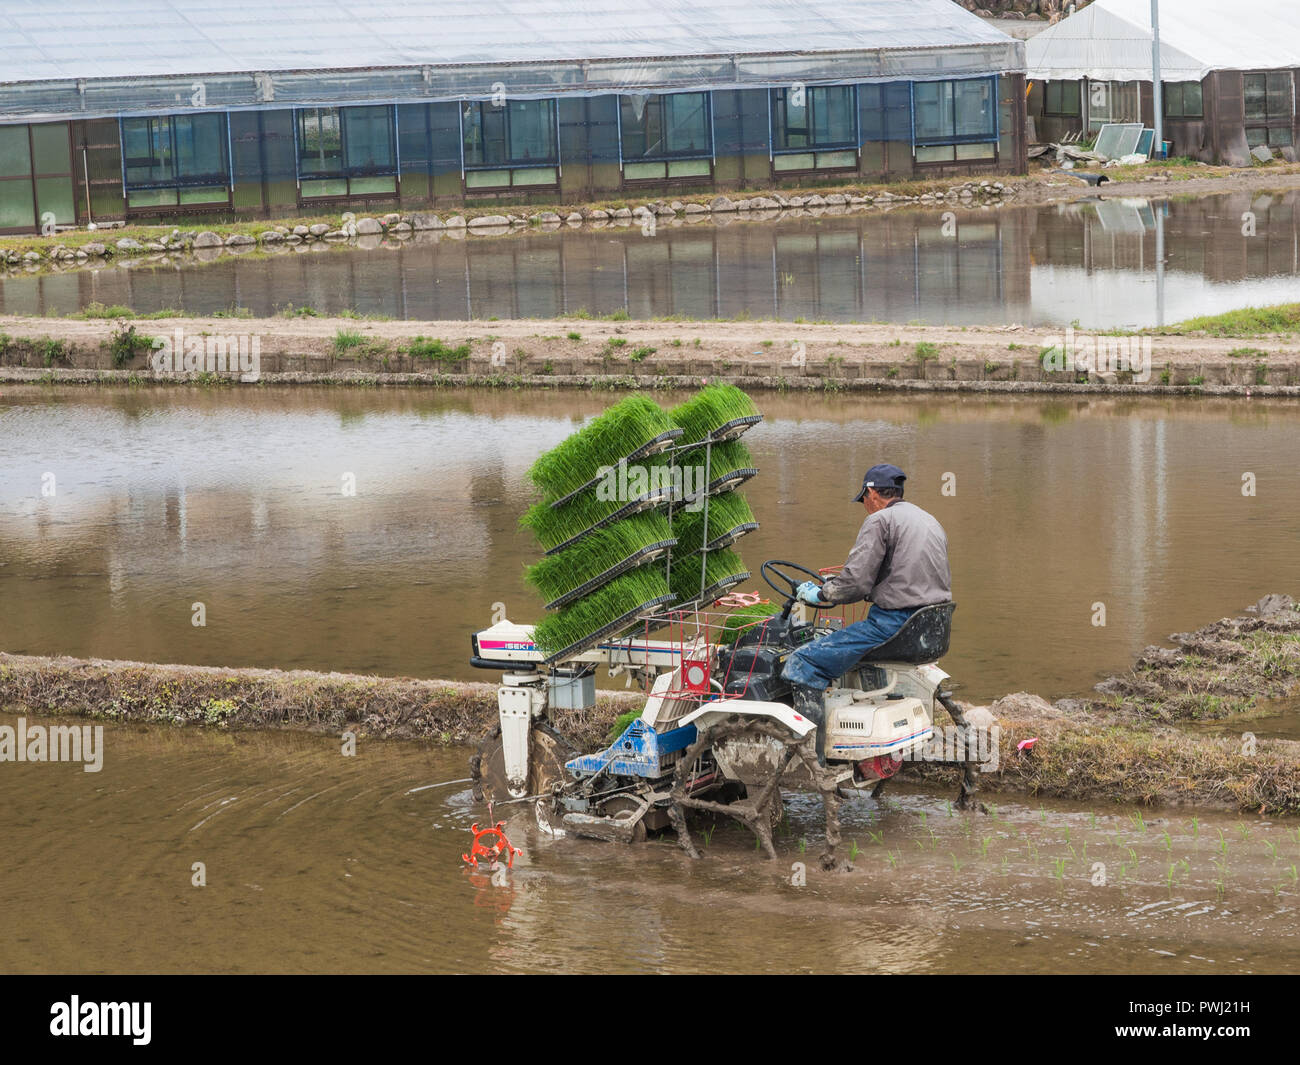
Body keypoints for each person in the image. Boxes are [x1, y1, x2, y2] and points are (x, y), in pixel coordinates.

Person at [780, 463, 952, 764]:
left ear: (872, 493)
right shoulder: (928, 519)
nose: (864, 506)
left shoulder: (880, 521)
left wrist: (819, 593)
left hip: (894, 626)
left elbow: (855, 584)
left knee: (803, 661)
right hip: (931, 627)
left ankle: (811, 761)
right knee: (843, 646)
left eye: (863, 499)